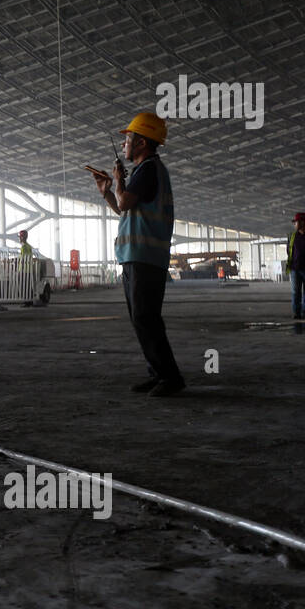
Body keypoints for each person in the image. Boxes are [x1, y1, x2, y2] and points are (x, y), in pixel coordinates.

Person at [90, 111, 185, 397]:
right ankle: (157, 373)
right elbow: (123, 207)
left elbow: (126, 200)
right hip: (137, 256)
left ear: (142, 143)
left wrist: (118, 179)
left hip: (145, 256)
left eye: (128, 139)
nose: (124, 145)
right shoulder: (148, 171)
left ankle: (170, 377)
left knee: (145, 317)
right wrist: (107, 192)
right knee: (141, 318)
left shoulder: (148, 169)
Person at [18, 229, 36, 306]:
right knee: (28, 286)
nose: (19, 238)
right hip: (28, 269)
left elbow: (23, 259)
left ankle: (26, 302)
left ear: (23, 237)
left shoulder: (24, 247)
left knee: (23, 286)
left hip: (23, 270)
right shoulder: (29, 246)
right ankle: (30, 301)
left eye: (20, 237)